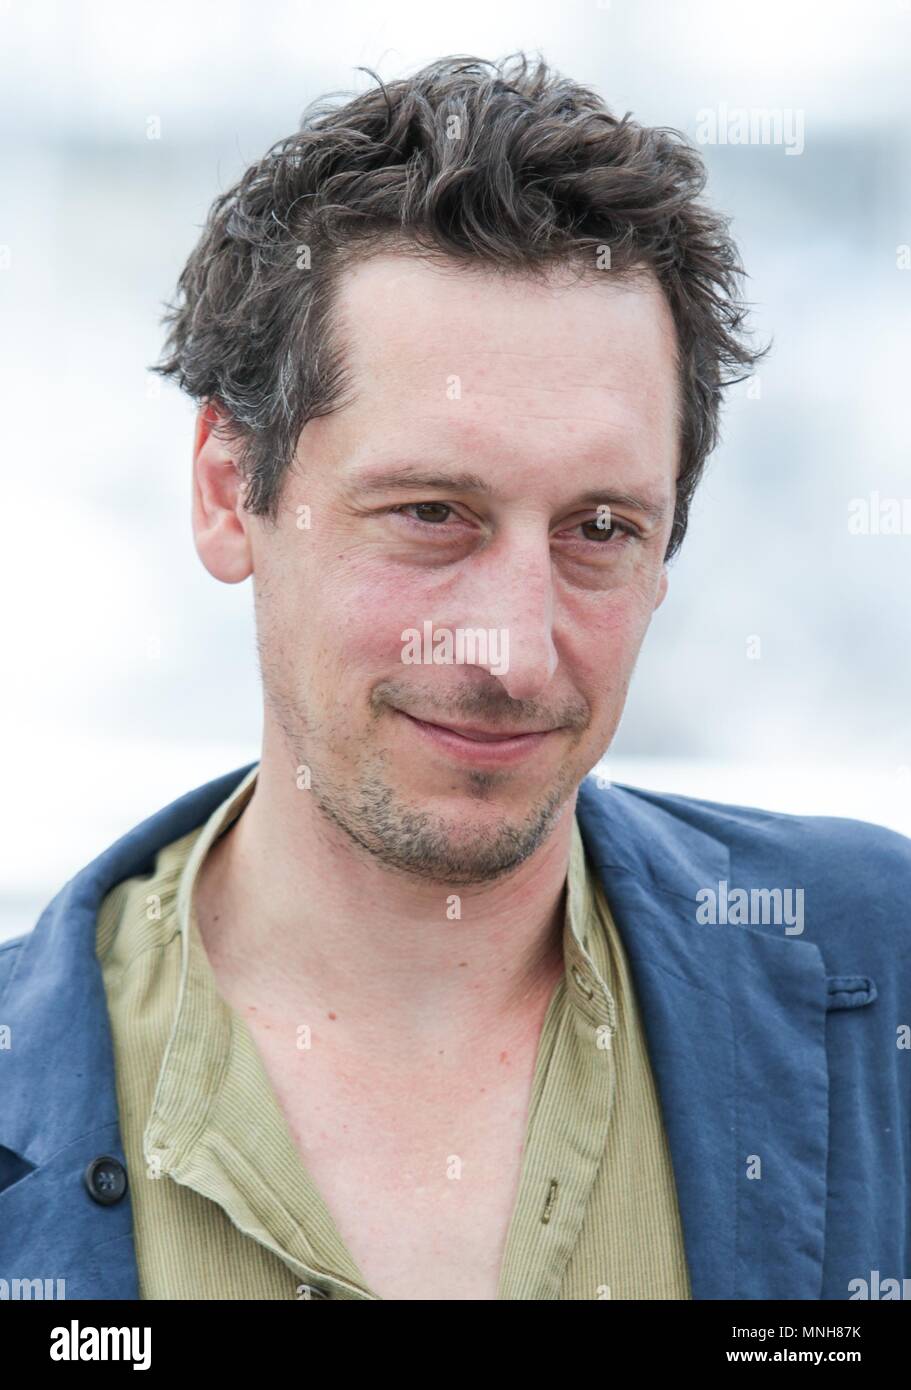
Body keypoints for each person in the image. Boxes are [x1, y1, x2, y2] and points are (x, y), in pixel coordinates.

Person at [2, 52, 908, 1302]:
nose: (513, 650)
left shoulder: (877, 975)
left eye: (598, 529)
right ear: (227, 489)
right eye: (432, 512)